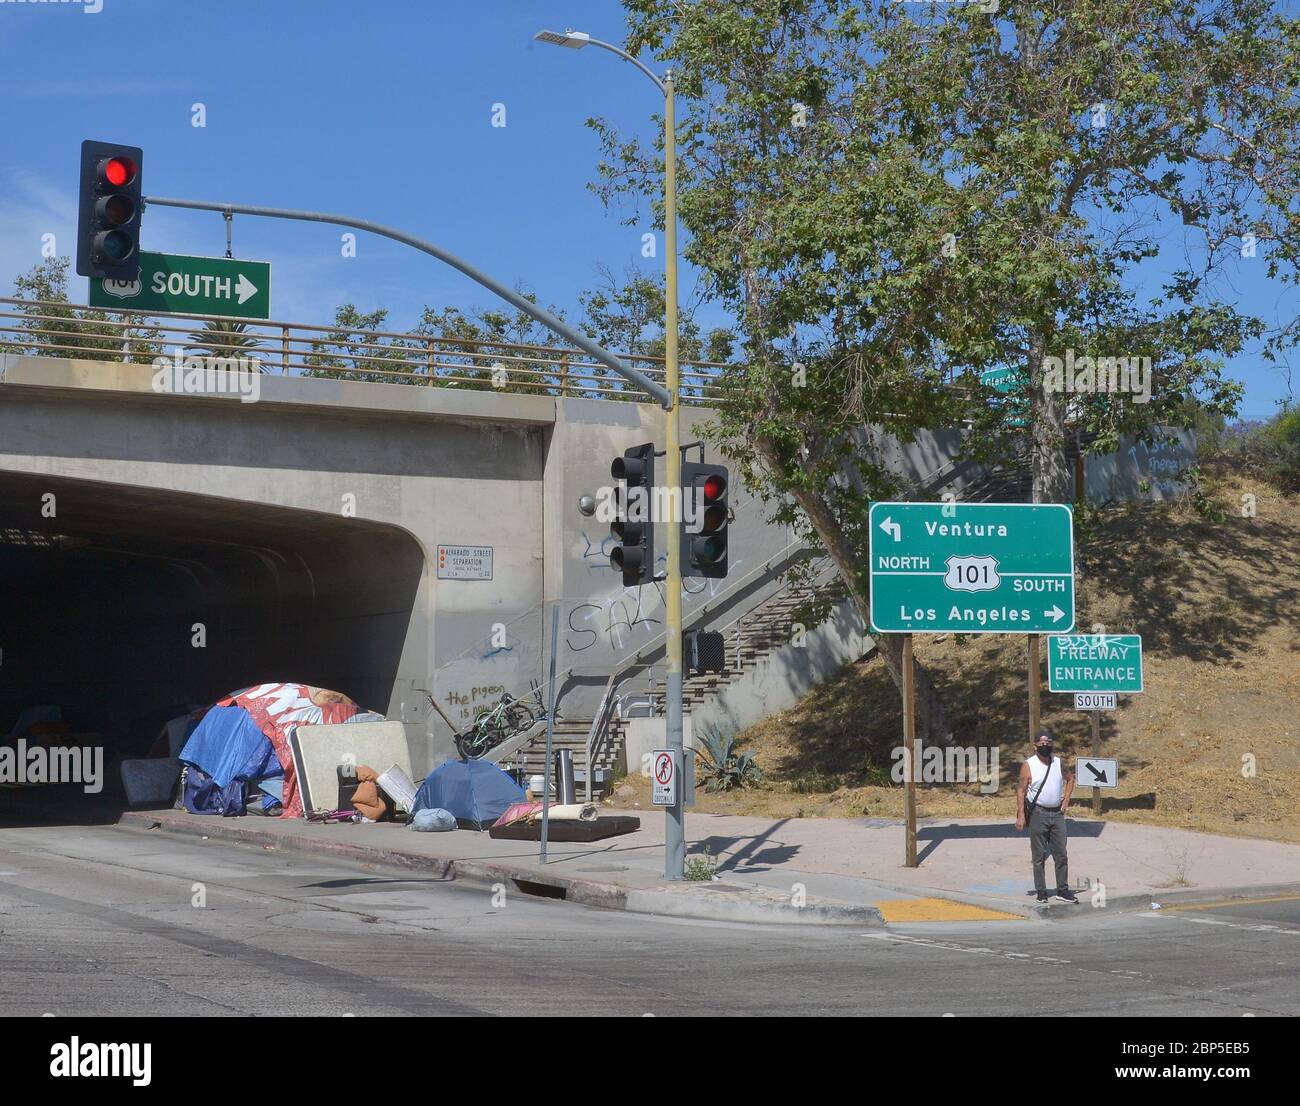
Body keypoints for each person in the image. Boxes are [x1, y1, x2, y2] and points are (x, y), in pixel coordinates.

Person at [1016, 729, 1079, 903]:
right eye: (1042, 743)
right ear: (1035, 745)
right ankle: (1041, 891)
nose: (1046, 745)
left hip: (1057, 814)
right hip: (1038, 813)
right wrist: (1021, 815)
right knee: (1039, 855)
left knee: (1061, 854)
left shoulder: (1059, 763)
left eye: (1049, 742)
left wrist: (1066, 800)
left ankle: (1062, 890)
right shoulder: (1029, 765)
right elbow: (1021, 790)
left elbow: (1070, 779)